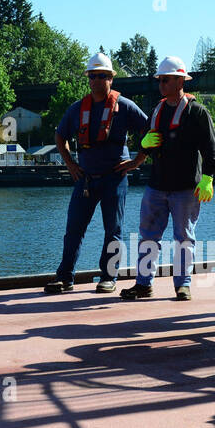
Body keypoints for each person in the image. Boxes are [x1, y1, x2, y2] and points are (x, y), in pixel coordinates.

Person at [46, 52, 149, 294]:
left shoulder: (125, 107)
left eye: (102, 76)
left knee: (113, 229)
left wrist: (137, 160)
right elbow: (60, 136)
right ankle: (65, 277)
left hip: (115, 179)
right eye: (92, 76)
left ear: (111, 79)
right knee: (73, 228)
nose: (96, 80)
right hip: (85, 180)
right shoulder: (77, 109)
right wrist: (70, 164)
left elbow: (151, 131)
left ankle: (108, 277)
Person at [119, 57, 215, 301]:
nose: (161, 84)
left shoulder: (196, 112)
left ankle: (183, 284)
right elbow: (146, 141)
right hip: (157, 186)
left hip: (186, 188)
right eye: (160, 80)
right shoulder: (157, 111)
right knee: (148, 235)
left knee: (184, 237)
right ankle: (144, 284)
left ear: (180, 81)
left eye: (166, 79)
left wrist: (208, 177)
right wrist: (143, 145)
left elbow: (210, 148)